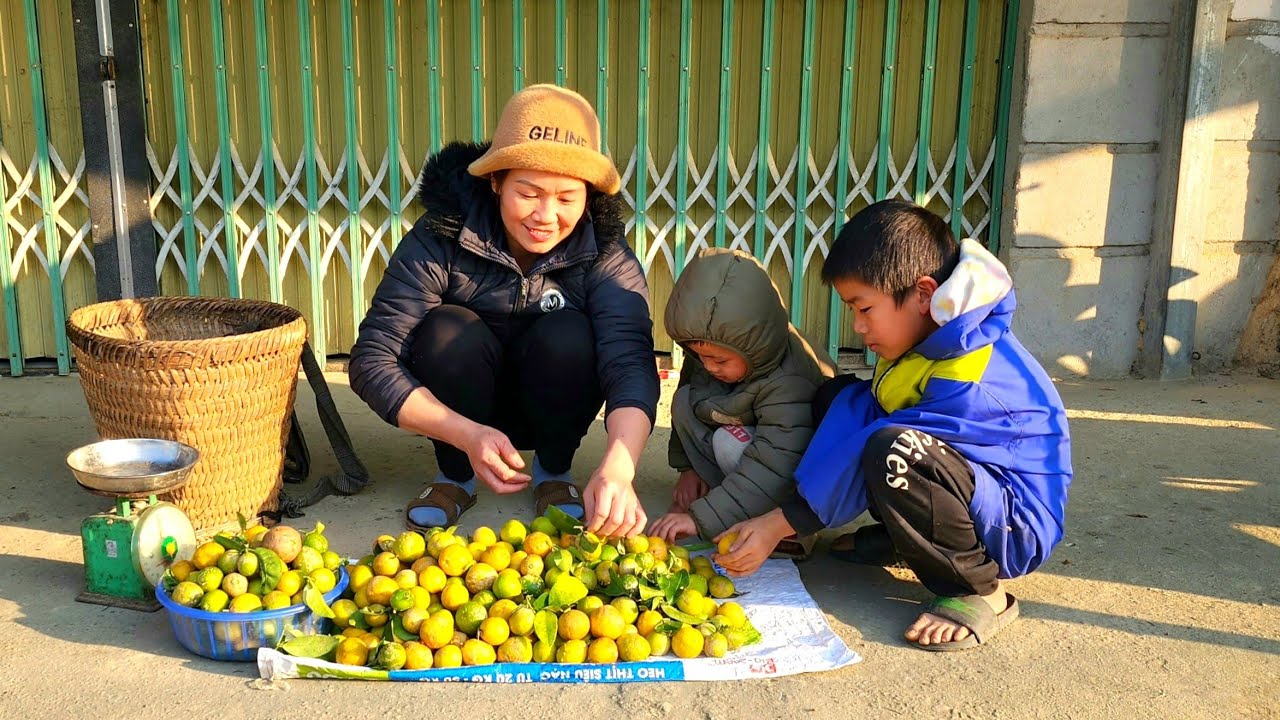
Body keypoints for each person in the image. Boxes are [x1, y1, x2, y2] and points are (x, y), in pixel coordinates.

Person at [713, 200, 1072, 651]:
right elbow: (865, 413)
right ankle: (907, 539)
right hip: (965, 485)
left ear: (924, 294)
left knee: (895, 451)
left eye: (864, 309)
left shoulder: (970, 374)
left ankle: (979, 590)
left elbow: (885, 438)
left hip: (1012, 524)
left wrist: (782, 521)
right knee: (837, 399)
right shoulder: (933, 334)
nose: (858, 327)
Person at [348, 84, 658, 538]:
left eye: (567, 198)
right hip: (462, 413)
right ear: (495, 182)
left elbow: (630, 361)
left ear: (589, 197)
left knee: (571, 335)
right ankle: (455, 477)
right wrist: (465, 434)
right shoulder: (441, 237)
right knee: (446, 330)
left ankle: (554, 473)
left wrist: (621, 466)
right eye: (528, 193)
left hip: (552, 405)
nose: (546, 216)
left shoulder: (604, 251)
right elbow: (371, 358)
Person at [647, 248, 834, 559]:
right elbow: (690, 403)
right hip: (753, 439)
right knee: (685, 399)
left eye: (718, 360)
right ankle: (729, 501)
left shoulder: (792, 377)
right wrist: (689, 469)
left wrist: (699, 518)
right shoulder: (712, 351)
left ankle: (787, 529)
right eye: (700, 356)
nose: (708, 366)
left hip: (795, 474)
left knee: (728, 443)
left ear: (756, 346)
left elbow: (775, 463)